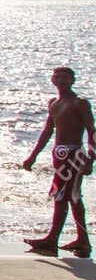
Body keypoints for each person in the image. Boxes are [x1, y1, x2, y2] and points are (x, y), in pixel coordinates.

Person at [21, 66, 95, 258]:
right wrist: (33, 155)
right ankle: (69, 238)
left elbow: (91, 130)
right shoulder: (54, 102)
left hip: (74, 155)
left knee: (71, 196)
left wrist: (90, 158)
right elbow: (47, 131)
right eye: (57, 76)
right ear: (52, 80)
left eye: (65, 76)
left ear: (73, 80)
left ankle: (70, 239)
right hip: (59, 156)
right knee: (63, 195)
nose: (61, 79)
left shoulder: (79, 103)